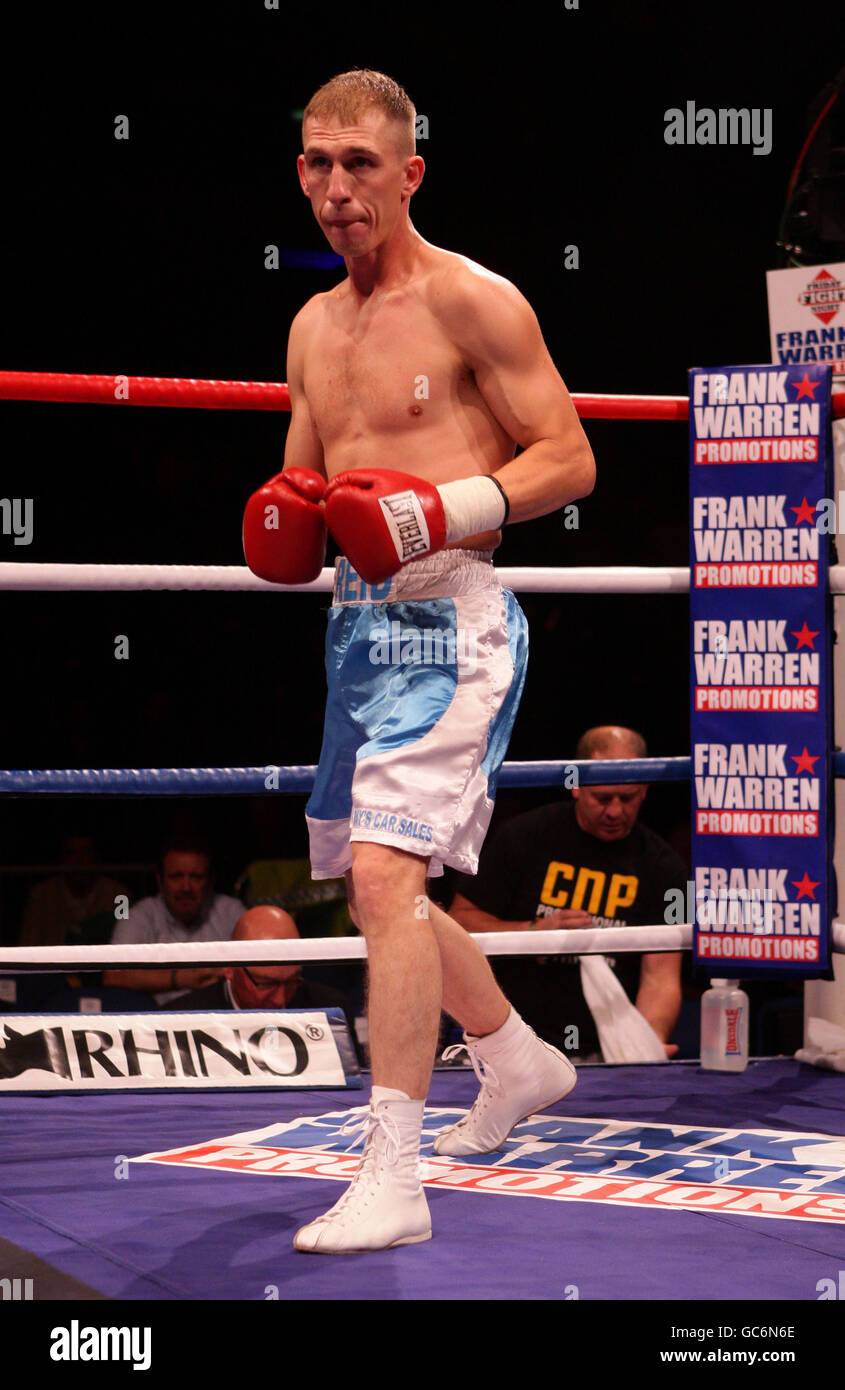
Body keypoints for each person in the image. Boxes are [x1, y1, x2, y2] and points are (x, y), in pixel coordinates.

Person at [242, 70, 595, 1254]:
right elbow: (309, 484)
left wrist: (439, 507)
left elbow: (569, 458)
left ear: (408, 173)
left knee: (388, 881)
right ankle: (511, 1057)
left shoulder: (472, 301)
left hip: (451, 622)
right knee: (371, 882)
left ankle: (392, 1172)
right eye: (316, 163)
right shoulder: (309, 327)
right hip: (356, 630)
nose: (336, 187)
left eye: (358, 164)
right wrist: (289, 519)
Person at [450, 727, 687, 1061]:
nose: (615, 812)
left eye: (628, 797)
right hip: (506, 1040)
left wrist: (646, 1043)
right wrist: (536, 932)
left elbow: (661, 975)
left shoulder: (664, 866)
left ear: (645, 788)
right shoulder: (525, 836)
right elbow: (459, 925)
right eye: (603, 799)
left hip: (602, 1050)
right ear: (575, 786)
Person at [177, 904, 357, 1037]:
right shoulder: (185, 1022)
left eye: (292, 981)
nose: (280, 999)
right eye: (266, 984)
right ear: (229, 968)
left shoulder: (331, 1012)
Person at [103, 837, 242, 1006]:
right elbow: (113, 975)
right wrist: (181, 978)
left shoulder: (231, 911)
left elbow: (259, 970)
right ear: (160, 881)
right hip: (157, 1024)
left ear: (210, 881)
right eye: (176, 876)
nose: (186, 887)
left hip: (222, 1022)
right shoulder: (140, 915)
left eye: (196, 877)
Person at [18, 832, 127, 947]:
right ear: (62, 858)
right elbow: (29, 942)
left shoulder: (119, 895)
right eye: (72, 853)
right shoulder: (41, 895)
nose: (79, 860)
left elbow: (126, 941)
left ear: (96, 857)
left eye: (85, 852)